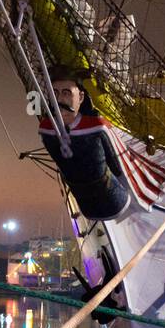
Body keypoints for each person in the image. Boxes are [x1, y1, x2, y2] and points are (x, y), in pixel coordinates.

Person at [38, 75, 130, 220]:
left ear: (81, 97)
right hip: (98, 201)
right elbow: (116, 166)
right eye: (54, 94)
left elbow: (118, 166)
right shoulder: (47, 129)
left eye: (66, 93)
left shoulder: (95, 126)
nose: (59, 100)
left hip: (112, 200)